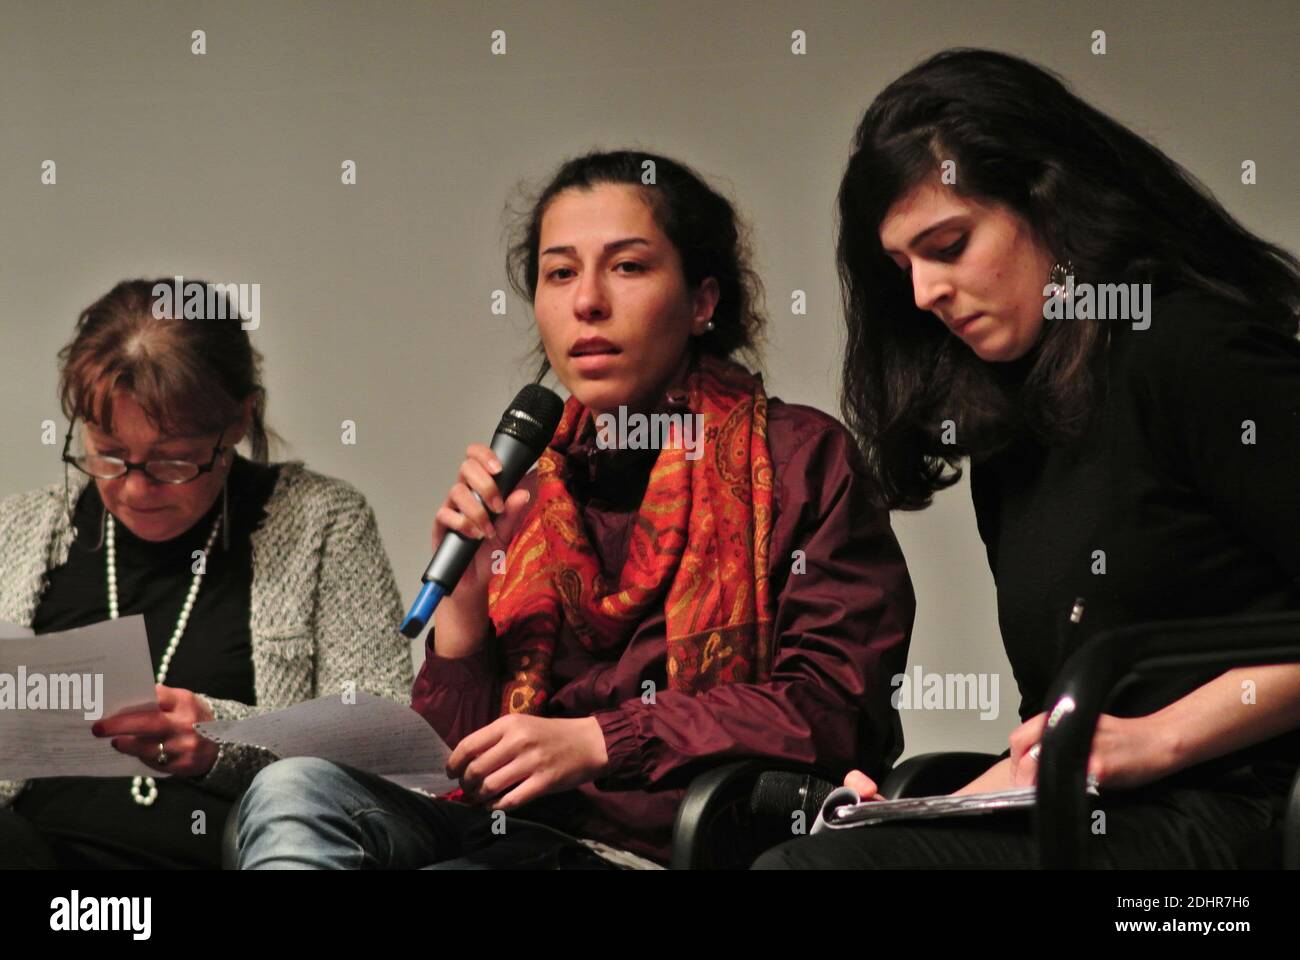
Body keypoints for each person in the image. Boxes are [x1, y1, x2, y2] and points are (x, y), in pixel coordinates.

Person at [235, 149, 916, 869]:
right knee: (292, 789)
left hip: (671, 849)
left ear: (703, 303)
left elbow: (835, 714)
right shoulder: (532, 474)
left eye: (627, 267)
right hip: (511, 834)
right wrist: (464, 606)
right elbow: (448, 768)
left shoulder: (799, 457)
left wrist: (600, 740)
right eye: (560, 273)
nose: (587, 301)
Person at [754, 48, 1300, 870]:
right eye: (903, 268)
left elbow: (1121, 733)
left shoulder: (1194, 349)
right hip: (1094, 818)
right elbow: (1058, 730)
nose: (922, 294)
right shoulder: (1018, 418)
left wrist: (1160, 738)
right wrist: (928, 813)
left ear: (1052, 201)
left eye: (948, 245)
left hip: (1237, 822)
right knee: (822, 849)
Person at [0, 279, 413, 869]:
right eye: (109, 453)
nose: (135, 487)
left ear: (240, 419)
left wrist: (224, 735)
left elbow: (386, 740)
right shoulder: (18, 530)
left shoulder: (320, 522)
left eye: (173, 459)